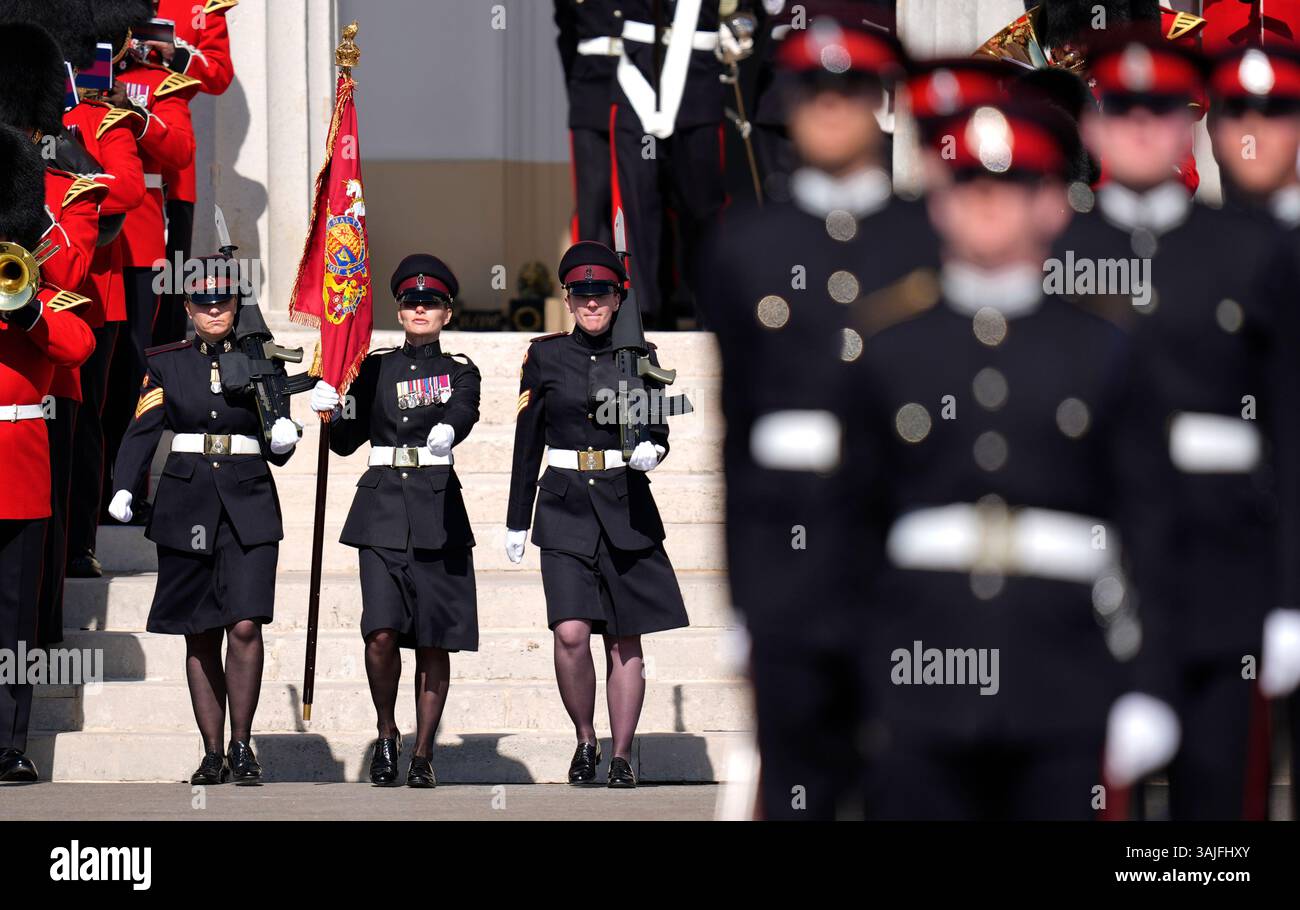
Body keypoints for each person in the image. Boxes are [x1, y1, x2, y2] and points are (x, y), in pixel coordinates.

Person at [847, 88, 1182, 820]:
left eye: (1016, 184)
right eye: (970, 183)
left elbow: (1152, 528)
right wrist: (847, 690)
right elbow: (846, 535)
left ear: (1055, 204)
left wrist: (1151, 685)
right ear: (940, 202)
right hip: (916, 684)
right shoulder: (888, 350)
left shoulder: (1109, 352)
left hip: (1064, 682)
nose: (990, 203)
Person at [697, 12, 934, 819]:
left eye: (851, 91)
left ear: (880, 102)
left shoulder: (925, 238)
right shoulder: (748, 246)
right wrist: (741, 599)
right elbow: (739, 438)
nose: (832, 108)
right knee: (799, 785)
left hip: (902, 557)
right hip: (788, 560)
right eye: (815, 92)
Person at [1059, 30, 1300, 819]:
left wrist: (1291, 593)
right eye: (1121, 108)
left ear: (1189, 125)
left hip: (1221, 562)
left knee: (1220, 808)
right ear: (1093, 126)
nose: (1138, 126)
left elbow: (1290, 430)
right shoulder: (1053, 250)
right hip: (1087, 563)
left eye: (1159, 109)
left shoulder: (1252, 250)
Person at [106, 256, 303, 785]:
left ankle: (243, 746)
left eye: (223, 302)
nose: (214, 310)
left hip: (248, 503)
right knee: (199, 632)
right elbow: (144, 426)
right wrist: (125, 483)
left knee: (244, 623)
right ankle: (212, 752)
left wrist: (285, 433)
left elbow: (277, 434)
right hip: (186, 502)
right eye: (203, 302)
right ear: (189, 307)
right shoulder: (168, 363)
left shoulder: (263, 359)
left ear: (237, 306)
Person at [505, 240, 688, 788]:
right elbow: (526, 439)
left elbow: (657, 424)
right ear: (568, 297)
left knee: (624, 639)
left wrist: (654, 445)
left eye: (601, 293)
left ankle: (623, 754)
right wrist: (517, 517)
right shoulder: (544, 356)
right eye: (581, 294)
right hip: (563, 505)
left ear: (617, 297)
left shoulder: (640, 351)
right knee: (569, 631)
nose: (591, 303)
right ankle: (586, 740)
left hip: (624, 504)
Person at [310, 255, 481, 788]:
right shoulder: (374, 367)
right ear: (400, 310)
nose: (420, 309)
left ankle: (424, 752)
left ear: (447, 312)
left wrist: (448, 431)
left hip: (437, 510)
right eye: (411, 302)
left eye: (431, 302)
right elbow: (343, 443)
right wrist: (332, 407)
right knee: (380, 633)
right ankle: (387, 733)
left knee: (433, 639)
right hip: (381, 509)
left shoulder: (459, 369)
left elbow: (464, 410)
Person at [1206, 41, 1300, 820]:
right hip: (1212, 594)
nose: (1254, 131)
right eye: (1236, 112)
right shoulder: (1172, 263)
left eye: (1275, 112)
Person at [0, 125, 97, 783]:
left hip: (21, 467)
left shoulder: (27, 287)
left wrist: (26, 308)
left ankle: (10, 743)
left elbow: (79, 344)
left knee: (16, 621)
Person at [152, 0, 239, 347]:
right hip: (106, 149)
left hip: (171, 153)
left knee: (167, 284)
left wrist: (178, 54)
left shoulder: (201, 5)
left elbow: (218, 73)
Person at [553, 0, 620, 246]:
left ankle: (636, 282)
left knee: (639, 197)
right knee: (592, 198)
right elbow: (567, 30)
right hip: (590, 87)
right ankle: (590, 278)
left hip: (641, 83)